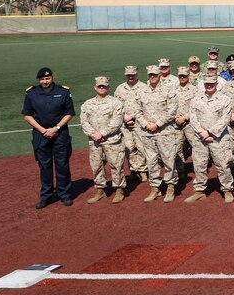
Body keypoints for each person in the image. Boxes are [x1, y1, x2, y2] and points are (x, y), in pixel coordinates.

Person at [23, 67, 75, 208]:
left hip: (60, 134)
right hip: (41, 135)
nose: (45, 81)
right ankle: (46, 196)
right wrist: (42, 130)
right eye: (42, 79)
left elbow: (69, 113)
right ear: (39, 80)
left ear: (52, 77)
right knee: (44, 165)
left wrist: (56, 128)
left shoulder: (63, 92)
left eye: (47, 78)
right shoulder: (31, 93)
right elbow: (27, 115)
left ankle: (64, 194)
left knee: (62, 164)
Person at [185, 75, 234, 203]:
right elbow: (193, 118)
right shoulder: (196, 100)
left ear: (216, 84)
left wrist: (211, 133)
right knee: (199, 165)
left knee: (222, 164)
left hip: (218, 138)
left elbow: (225, 119)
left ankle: (227, 189)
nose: (209, 86)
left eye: (211, 84)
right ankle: (199, 190)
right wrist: (201, 132)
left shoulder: (225, 100)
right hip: (200, 138)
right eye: (206, 83)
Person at [80, 76, 126, 204]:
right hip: (95, 141)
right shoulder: (87, 104)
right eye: (99, 86)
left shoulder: (116, 103)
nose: (102, 88)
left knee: (116, 165)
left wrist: (102, 133)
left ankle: (119, 189)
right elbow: (84, 122)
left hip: (112, 140)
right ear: (95, 88)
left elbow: (117, 122)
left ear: (108, 88)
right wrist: (93, 133)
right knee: (96, 166)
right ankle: (100, 190)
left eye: (104, 86)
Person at [137, 65, 180, 202]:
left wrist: (158, 124)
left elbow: (172, 111)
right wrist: (145, 124)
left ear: (159, 75)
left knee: (168, 160)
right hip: (148, 133)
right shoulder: (142, 91)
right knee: (151, 161)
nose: (152, 77)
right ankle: (155, 188)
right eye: (150, 75)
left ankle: (170, 187)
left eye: (154, 74)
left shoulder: (169, 90)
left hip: (165, 132)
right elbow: (137, 111)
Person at [114, 65, 149, 184]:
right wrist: (124, 118)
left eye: (132, 75)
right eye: (128, 75)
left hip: (140, 123)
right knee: (129, 147)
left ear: (136, 75)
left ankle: (143, 170)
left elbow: (147, 106)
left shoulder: (144, 87)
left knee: (141, 147)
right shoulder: (120, 88)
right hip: (125, 124)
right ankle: (134, 171)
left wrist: (133, 116)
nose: (130, 77)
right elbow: (116, 106)